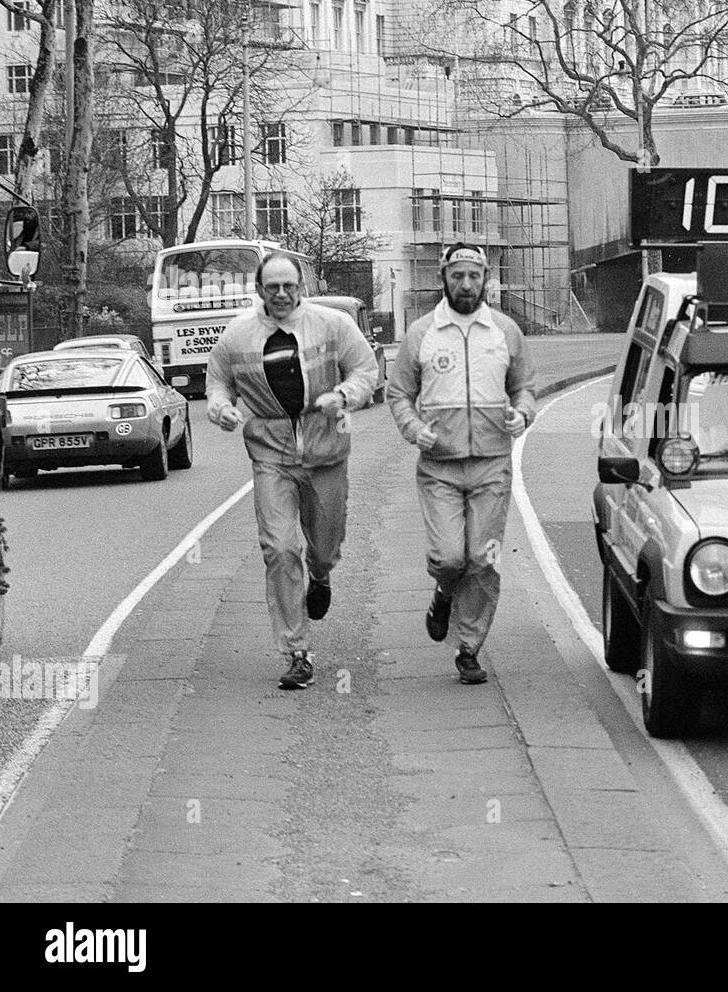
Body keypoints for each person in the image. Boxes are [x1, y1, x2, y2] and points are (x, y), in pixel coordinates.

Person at [206, 252, 378, 689]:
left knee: (324, 545)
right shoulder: (237, 335)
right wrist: (221, 407)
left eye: (289, 286)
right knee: (280, 549)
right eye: (272, 287)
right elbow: (217, 383)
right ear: (259, 290)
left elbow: (366, 370)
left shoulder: (332, 324)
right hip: (271, 454)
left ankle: (320, 577)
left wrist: (342, 394)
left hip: (325, 450)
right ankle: (296, 651)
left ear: (302, 287)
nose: (281, 295)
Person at [387, 244, 536, 684]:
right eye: (458, 276)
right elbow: (398, 395)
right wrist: (414, 430)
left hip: (492, 465)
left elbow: (525, 386)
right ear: (444, 278)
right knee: (451, 557)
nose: (466, 285)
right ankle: (443, 592)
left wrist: (521, 413)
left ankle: (469, 648)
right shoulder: (421, 334)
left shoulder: (505, 331)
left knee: (483, 560)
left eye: (474, 276)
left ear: (486, 277)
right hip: (439, 468)